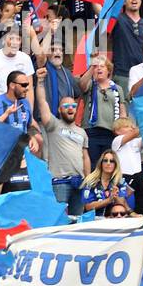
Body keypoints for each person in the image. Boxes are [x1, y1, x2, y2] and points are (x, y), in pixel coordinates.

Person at [34, 64, 90, 217]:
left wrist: (88, 179)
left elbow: (85, 156)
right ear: (59, 110)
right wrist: (40, 82)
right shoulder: (54, 125)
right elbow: (42, 103)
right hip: (60, 182)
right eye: (66, 106)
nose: (70, 108)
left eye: (73, 105)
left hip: (80, 182)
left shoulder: (82, 132)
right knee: (57, 218)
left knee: (77, 220)